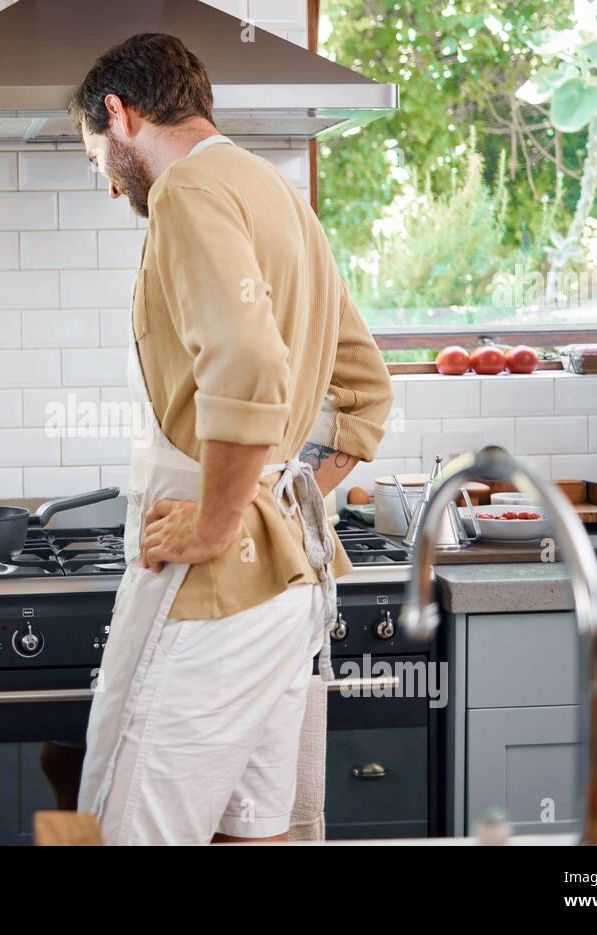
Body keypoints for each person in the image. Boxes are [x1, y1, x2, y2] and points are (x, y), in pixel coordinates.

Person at [72, 34, 394, 845]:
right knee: (252, 833)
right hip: (286, 591)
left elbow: (247, 361)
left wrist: (218, 521)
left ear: (119, 112)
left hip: (214, 592)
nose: (108, 183)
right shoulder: (275, 192)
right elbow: (365, 389)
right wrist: (272, 495)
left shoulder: (187, 190)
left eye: (96, 157)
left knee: (125, 829)